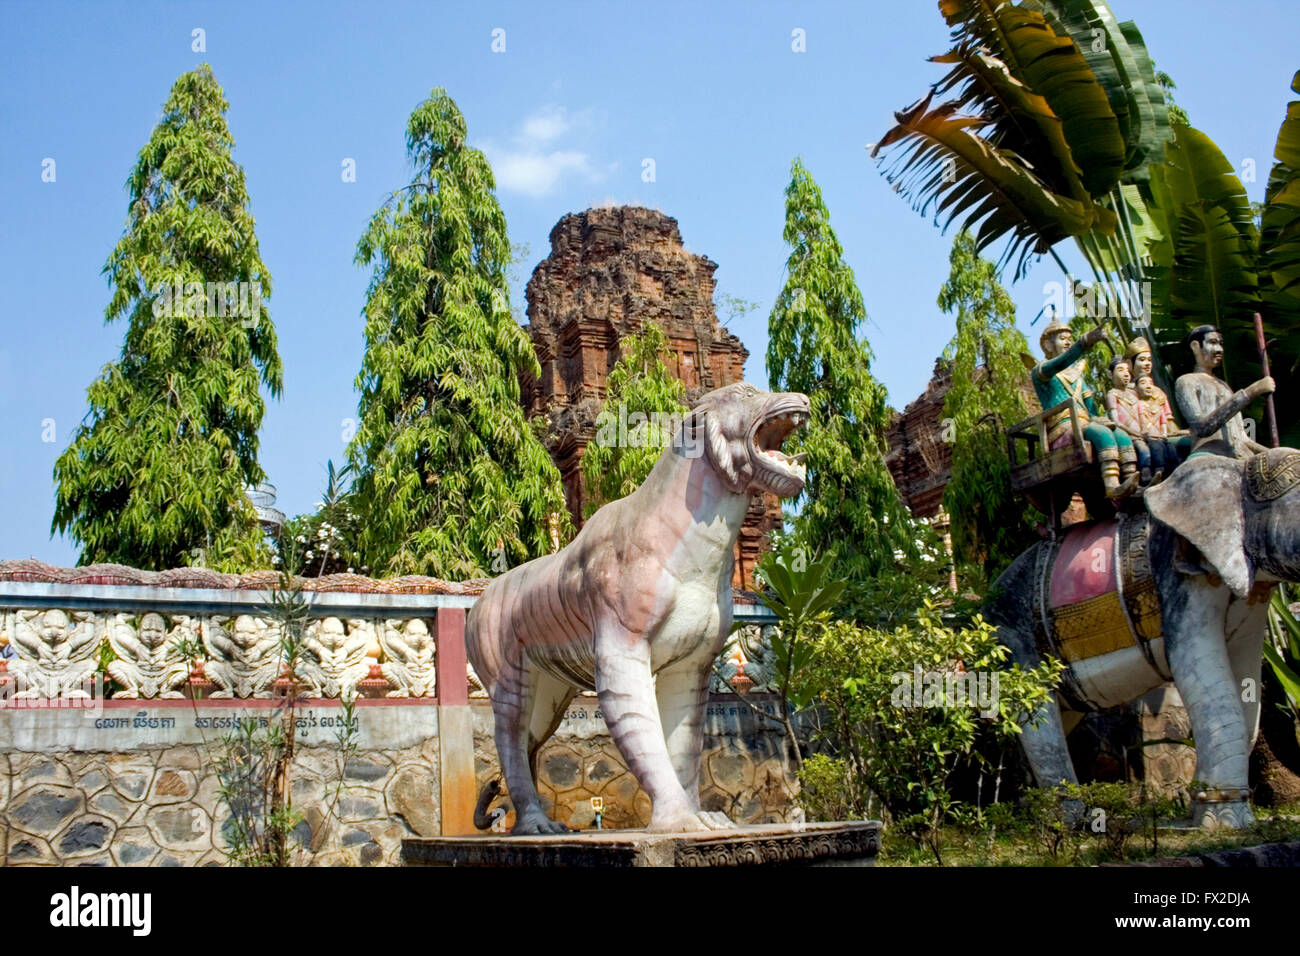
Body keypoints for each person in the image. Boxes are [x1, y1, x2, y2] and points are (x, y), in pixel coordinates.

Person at [1032, 320, 1138, 498]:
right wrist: (1084, 342)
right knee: (1101, 434)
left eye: (1070, 339)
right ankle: (1112, 485)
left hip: (1084, 425)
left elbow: (1091, 410)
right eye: (1062, 339)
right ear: (1047, 345)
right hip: (1063, 430)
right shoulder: (1041, 371)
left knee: (1120, 434)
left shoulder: (1078, 378)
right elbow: (1060, 363)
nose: (1067, 342)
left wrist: (1099, 418)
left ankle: (1131, 480)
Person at [1174, 325, 1274, 458]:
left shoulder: (1224, 386)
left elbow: (1243, 438)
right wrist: (1251, 392)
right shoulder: (1187, 381)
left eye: (1221, 344)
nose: (1219, 349)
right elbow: (1202, 428)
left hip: (1239, 455)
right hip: (1209, 454)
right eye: (1213, 343)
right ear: (1195, 346)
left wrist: (1278, 454)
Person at [1105, 356, 1159, 484]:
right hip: (1129, 436)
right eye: (1120, 370)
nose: (1125, 374)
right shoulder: (1112, 394)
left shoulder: (1134, 395)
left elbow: (1142, 415)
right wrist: (1135, 433)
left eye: (1127, 370)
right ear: (1110, 374)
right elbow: (1116, 421)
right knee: (1144, 451)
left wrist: (1146, 429)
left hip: (1143, 434)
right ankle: (1145, 478)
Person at [1135, 374, 1175, 482]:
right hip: (1150, 437)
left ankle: (1174, 471)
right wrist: (1145, 431)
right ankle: (1159, 472)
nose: (1148, 386)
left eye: (1151, 383)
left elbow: (1163, 422)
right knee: (1156, 448)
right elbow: (1142, 419)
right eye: (1143, 383)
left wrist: (1164, 433)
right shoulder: (1140, 404)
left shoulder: (1158, 406)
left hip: (1160, 436)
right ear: (1136, 389)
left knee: (1171, 448)